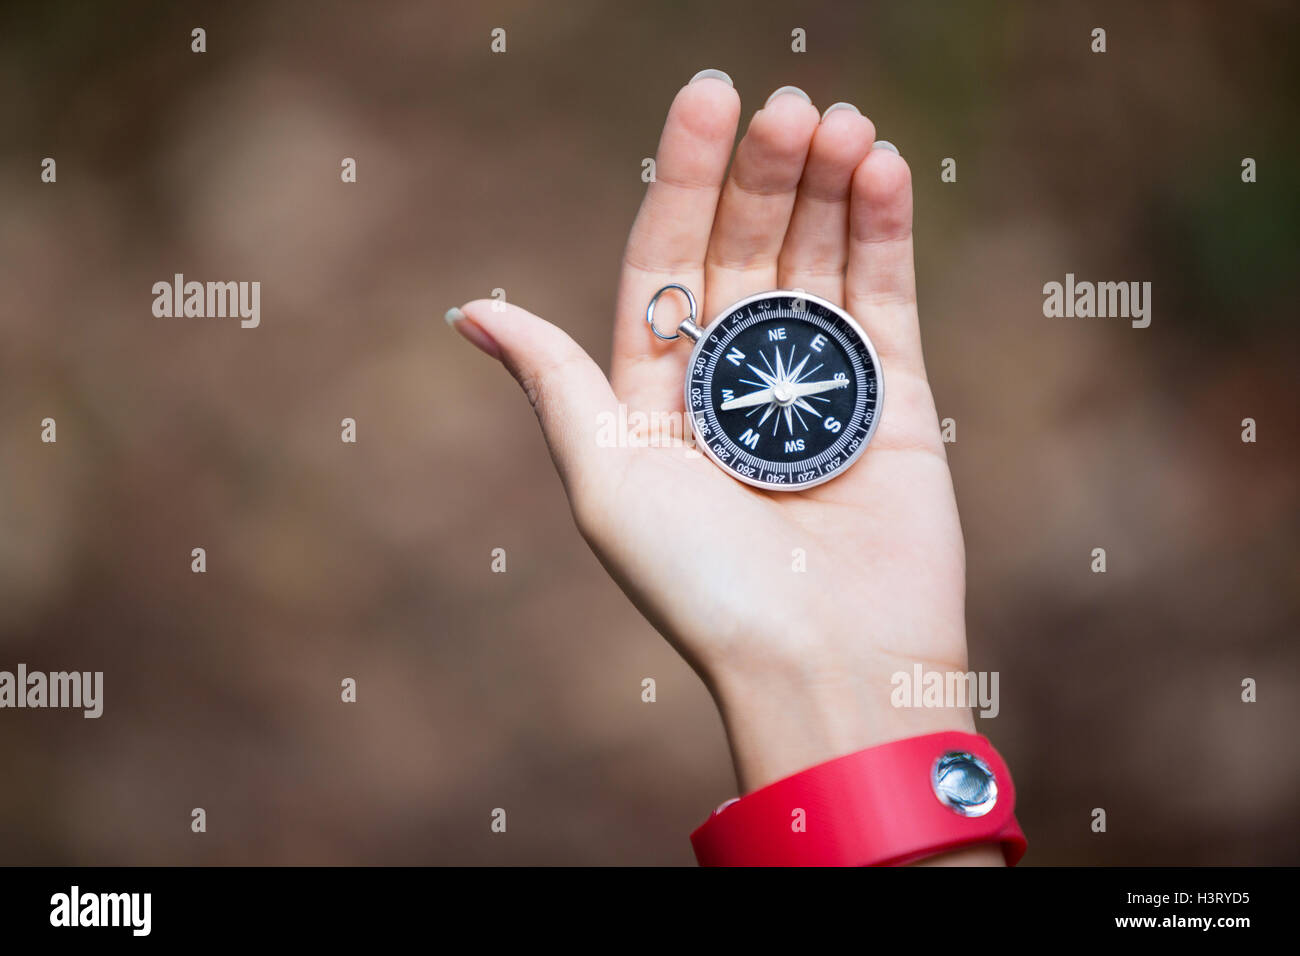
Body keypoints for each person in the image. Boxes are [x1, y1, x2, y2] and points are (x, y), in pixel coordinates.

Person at [446, 71, 1009, 866]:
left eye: (798, 382)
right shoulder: (736, 372)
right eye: (770, 387)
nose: (784, 389)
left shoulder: (783, 376)